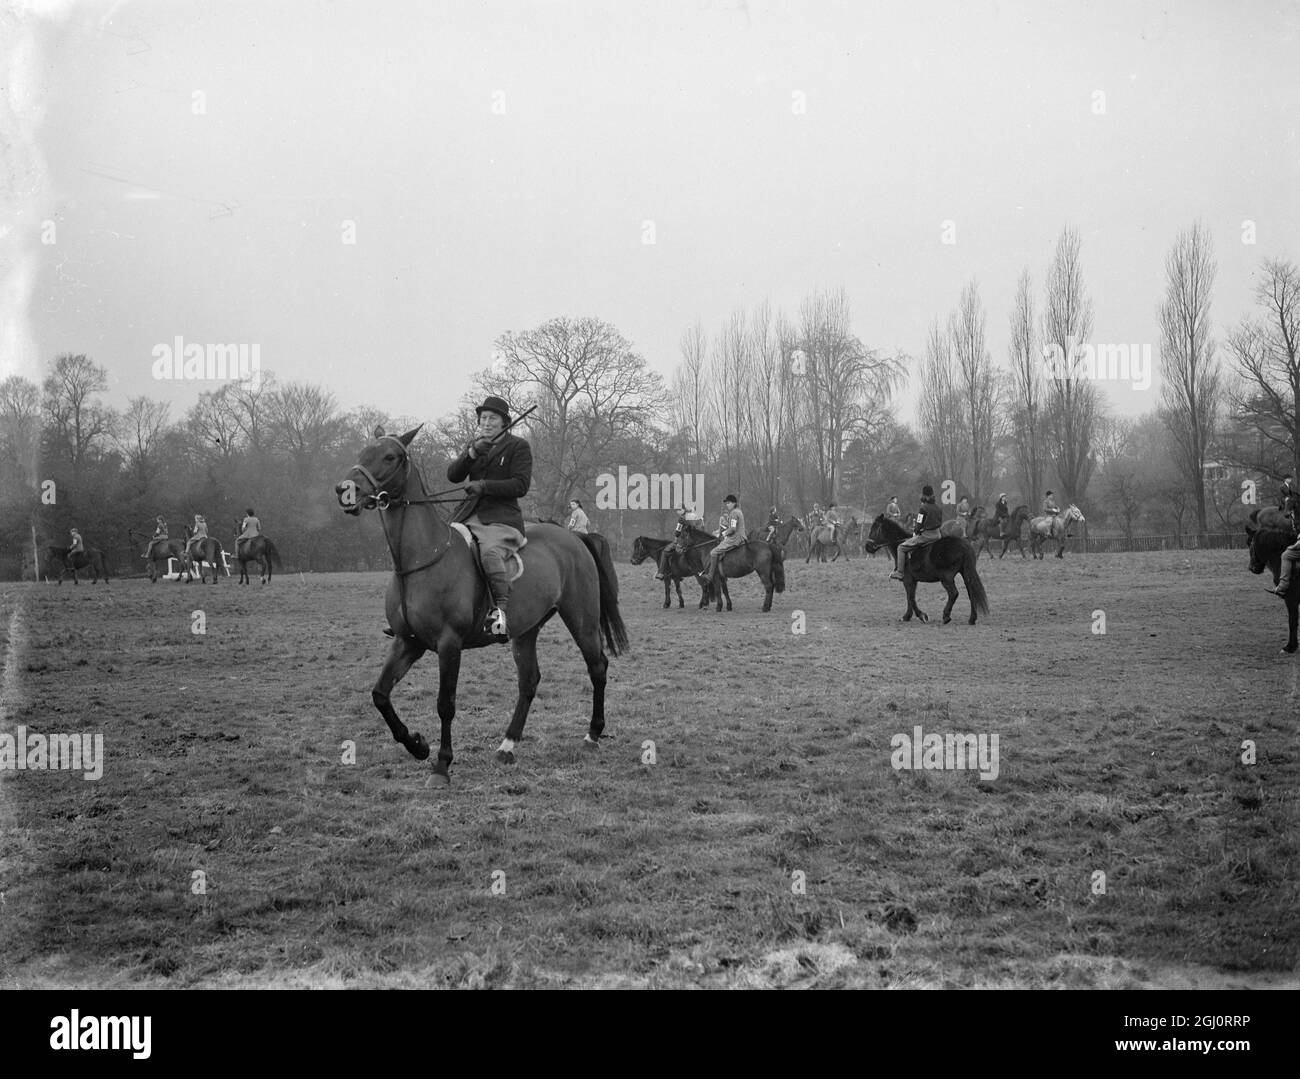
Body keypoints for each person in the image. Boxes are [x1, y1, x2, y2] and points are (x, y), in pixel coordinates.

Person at [447, 395, 532, 641]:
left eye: (492, 418)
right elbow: (453, 475)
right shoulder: (476, 445)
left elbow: (520, 485)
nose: (486, 422)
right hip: (467, 516)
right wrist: (470, 454)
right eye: (483, 418)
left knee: (490, 553)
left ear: (504, 422)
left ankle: (499, 614)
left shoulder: (518, 446)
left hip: (501, 519)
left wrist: (484, 486)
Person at [889, 485, 942, 581]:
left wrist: (916, 532)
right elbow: (939, 522)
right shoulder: (938, 508)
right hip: (938, 535)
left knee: (901, 548)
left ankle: (899, 572)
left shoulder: (923, 508)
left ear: (924, 495)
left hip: (927, 536)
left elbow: (918, 524)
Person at [698, 494, 747, 589]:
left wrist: (723, 534)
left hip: (735, 538)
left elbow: (732, 529)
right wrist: (719, 532)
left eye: (729, 503)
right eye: (726, 503)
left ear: (734, 503)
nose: (727, 505)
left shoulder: (733, 513)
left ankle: (710, 576)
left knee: (713, 552)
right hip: (741, 536)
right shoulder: (739, 511)